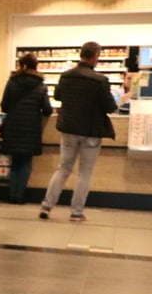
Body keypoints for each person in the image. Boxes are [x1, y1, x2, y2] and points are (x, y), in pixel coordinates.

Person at [39, 41, 117, 222]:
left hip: (68, 129)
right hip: (91, 132)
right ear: (95, 56)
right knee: (85, 172)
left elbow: (58, 96)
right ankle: (76, 212)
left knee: (63, 168)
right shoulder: (100, 80)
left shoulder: (66, 76)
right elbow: (110, 107)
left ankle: (47, 205)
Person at [0, 53, 53, 204]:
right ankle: (20, 196)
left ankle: (11, 195)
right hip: (31, 129)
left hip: (13, 127)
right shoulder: (41, 85)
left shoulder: (12, 82)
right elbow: (47, 109)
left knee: (15, 162)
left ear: (23, 66)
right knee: (26, 163)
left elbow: (4, 106)